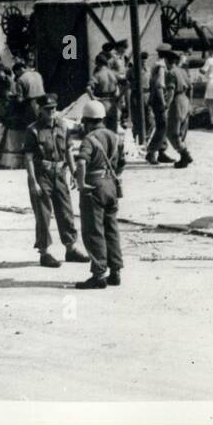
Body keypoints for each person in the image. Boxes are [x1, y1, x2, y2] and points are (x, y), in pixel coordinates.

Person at [22, 94, 88, 268]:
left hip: (59, 174)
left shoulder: (63, 126)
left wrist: (74, 172)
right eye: (47, 109)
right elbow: (28, 158)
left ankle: (71, 248)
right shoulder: (33, 130)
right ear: (40, 110)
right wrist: (33, 182)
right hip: (42, 175)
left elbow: (67, 151)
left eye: (53, 108)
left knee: (66, 211)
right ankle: (44, 252)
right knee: (43, 215)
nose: (51, 112)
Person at [73, 99, 125, 290]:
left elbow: (81, 163)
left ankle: (98, 274)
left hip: (94, 186)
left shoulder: (89, 139)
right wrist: (113, 177)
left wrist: (81, 184)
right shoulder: (115, 136)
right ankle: (115, 271)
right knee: (111, 229)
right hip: (111, 185)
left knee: (94, 230)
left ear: (87, 120)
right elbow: (122, 163)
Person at [163, 50, 194, 169]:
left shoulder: (170, 73)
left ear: (167, 61)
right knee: (182, 131)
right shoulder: (183, 71)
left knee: (172, 132)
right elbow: (191, 87)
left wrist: (166, 105)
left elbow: (171, 92)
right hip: (185, 100)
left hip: (176, 101)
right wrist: (190, 104)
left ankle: (184, 155)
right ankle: (185, 155)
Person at [146, 45, 175, 165]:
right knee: (162, 126)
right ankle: (151, 152)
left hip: (156, 99)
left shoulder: (157, 64)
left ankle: (161, 151)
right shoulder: (161, 67)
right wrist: (163, 102)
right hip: (159, 100)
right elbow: (159, 86)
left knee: (163, 126)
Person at [87, 52, 121, 134]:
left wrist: (93, 98)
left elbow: (88, 88)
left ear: (98, 63)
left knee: (101, 129)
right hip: (112, 102)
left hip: (101, 103)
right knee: (113, 129)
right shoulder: (114, 73)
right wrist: (119, 96)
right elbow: (127, 84)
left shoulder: (97, 75)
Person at [15, 55, 46, 127]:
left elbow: (20, 99)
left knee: (31, 126)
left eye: (16, 72)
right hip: (43, 102)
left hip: (31, 105)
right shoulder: (38, 74)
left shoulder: (20, 79)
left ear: (19, 70)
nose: (17, 75)